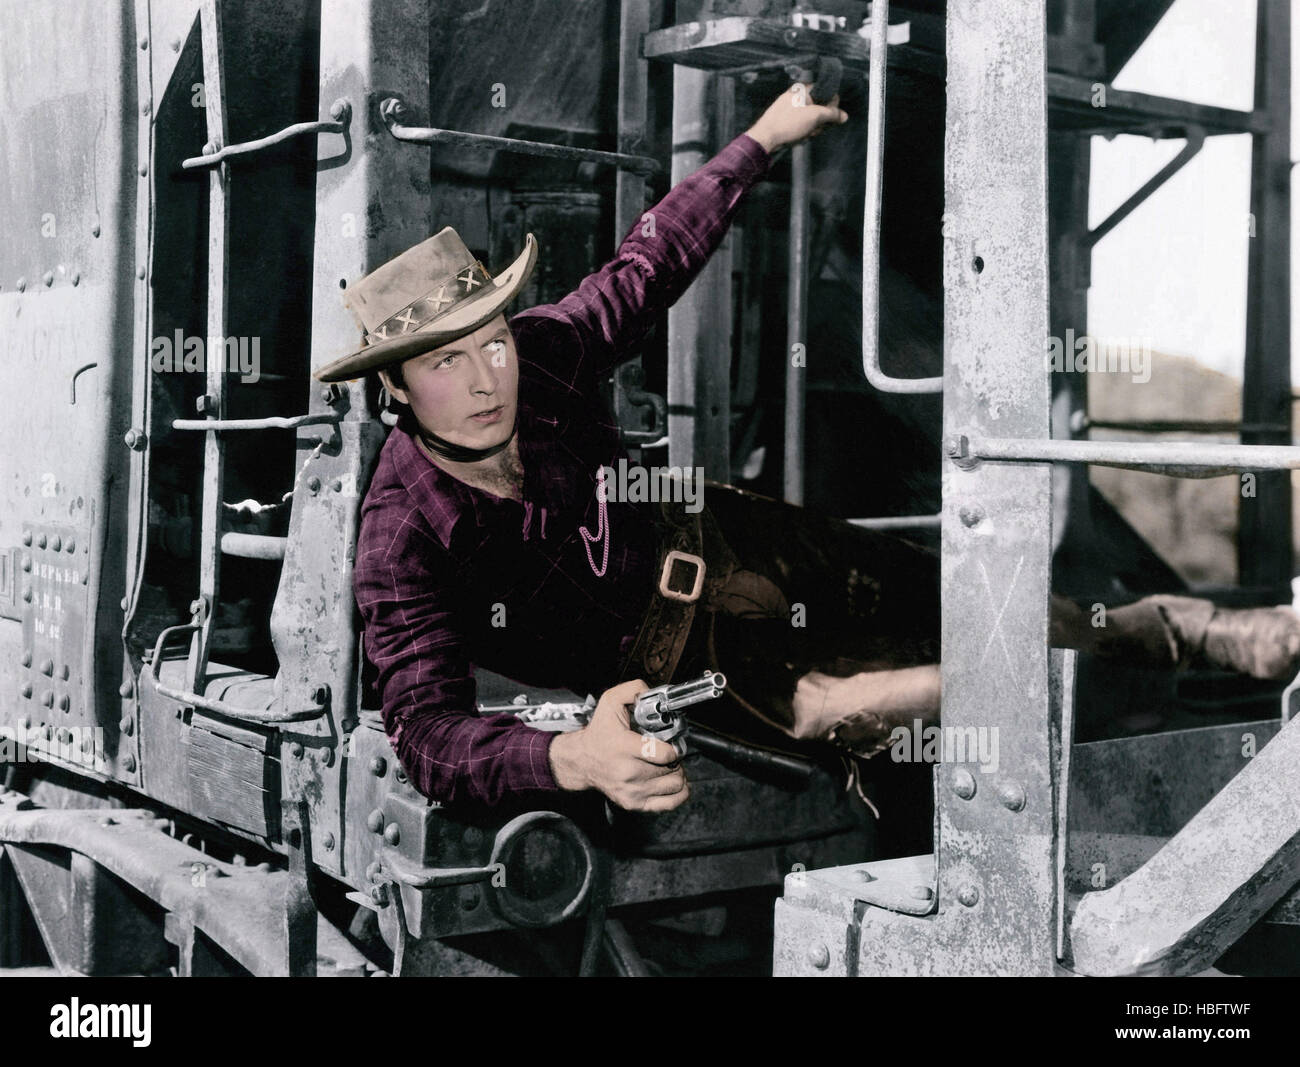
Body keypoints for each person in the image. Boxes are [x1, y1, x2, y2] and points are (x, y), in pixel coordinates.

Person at [315, 84, 1300, 815]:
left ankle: (1187, 628)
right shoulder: (402, 537)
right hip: (692, 671)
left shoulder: (547, 351)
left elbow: (647, 262)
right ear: (394, 389)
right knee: (906, 697)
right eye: (445, 362)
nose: (487, 378)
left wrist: (761, 138)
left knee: (966, 604)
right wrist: (572, 756)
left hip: (742, 544)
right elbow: (429, 736)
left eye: (489, 339)